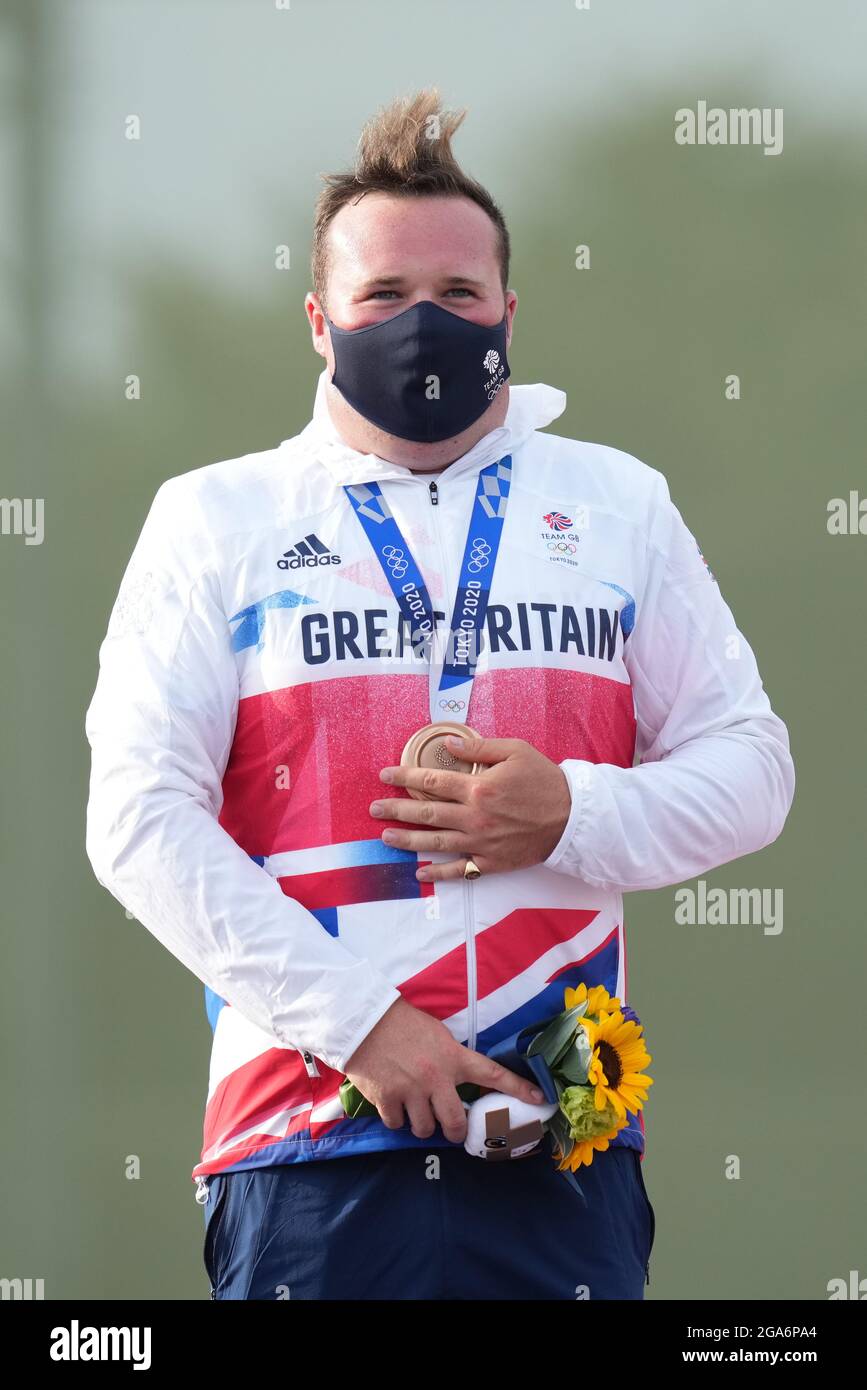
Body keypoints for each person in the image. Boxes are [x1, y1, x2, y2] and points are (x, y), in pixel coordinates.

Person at [84, 88, 795, 1300]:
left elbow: (753, 769)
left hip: (560, 1129)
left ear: (512, 313)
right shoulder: (216, 519)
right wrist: (366, 1026)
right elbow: (138, 823)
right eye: (383, 297)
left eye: (460, 297)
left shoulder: (620, 502)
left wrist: (570, 812)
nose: (425, 325)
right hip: (303, 1139)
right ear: (319, 320)